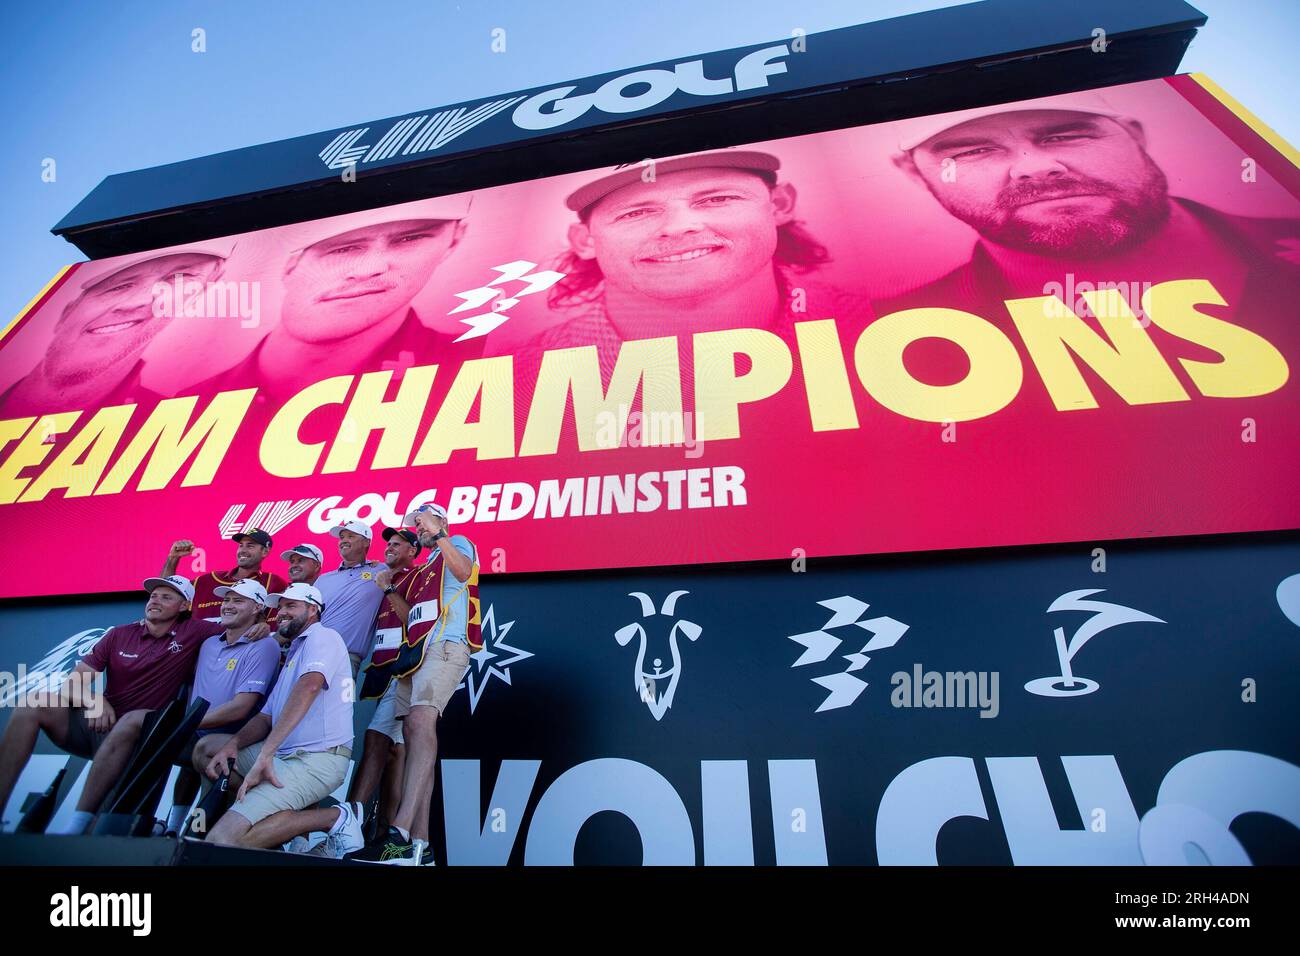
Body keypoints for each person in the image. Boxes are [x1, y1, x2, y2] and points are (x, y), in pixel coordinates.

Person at [880, 93, 1300, 327]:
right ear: (913, 171)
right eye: (973, 151)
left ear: (1134, 136)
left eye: (1066, 136)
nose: (1035, 167)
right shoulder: (899, 329)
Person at [516, 148, 869, 379]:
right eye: (635, 212)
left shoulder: (869, 327)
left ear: (779, 205)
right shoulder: (520, 379)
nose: (678, 226)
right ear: (585, 241)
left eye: (717, 198)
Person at [194, 197, 484, 409]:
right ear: (288, 264)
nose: (369, 269)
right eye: (341, 249)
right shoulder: (191, 404)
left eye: (410, 238)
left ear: (454, 240)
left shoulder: (485, 367)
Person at [0, 575, 224, 834]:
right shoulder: (119, 634)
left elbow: (238, 630)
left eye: (166, 597)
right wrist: (95, 700)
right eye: (153, 596)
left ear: (184, 606)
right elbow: (71, 684)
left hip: (138, 741)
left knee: (102, 831)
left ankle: (86, 826)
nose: (155, 601)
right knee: (33, 703)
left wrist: (260, 628)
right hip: (100, 725)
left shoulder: (195, 631)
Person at [347, 504, 480, 865]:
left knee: (421, 723)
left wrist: (440, 532)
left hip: (446, 645)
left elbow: (464, 572)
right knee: (412, 735)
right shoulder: (424, 569)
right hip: (416, 654)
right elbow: (412, 619)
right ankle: (419, 845)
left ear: (440, 521)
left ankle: (400, 831)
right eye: (415, 524)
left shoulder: (457, 542)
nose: (418, 528)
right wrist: (391, 589)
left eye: (421, 522)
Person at [202, 583, 362, 852]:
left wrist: (266, 753)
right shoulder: (296, 650)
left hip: (316, 760)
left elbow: (309, 686)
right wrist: (234, 744)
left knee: (222, 842)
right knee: (208, 749)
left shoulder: (324, 636)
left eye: (291, 606)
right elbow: (265, 717)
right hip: (283, 757)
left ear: (313, 610)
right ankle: (264, 819)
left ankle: (335, 817)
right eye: (280, 607)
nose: (282, 612)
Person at [0, 240, 235, 419]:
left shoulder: (174, 426)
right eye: (117, 286)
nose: (138, 301)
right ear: (66, 312)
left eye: (178, 278)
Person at [163, 579, 282, 835]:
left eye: (238, 600)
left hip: (236, 740)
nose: (228, 605)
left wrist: (187, 724)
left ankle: (198, 835)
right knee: (148, 740)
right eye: (226, 600)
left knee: (209, 768)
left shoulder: (264, 645)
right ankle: (171, 830)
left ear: (257, 608)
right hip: (198, 732)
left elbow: (241, 708)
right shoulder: (209, 642)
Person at [161, 529, 287, 624]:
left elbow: (272, 623)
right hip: (197, 647)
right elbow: (165, 593)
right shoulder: (206, 580)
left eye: (250, 546)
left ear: (265, 551)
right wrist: (173, 558)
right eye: (241, 545)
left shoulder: (274, 582)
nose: (242, 550)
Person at [315, 520, 386, 677]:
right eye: (342, 537)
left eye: (351, 536)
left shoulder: (381, 570)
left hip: (347, 658)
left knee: (339, 696)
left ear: (366, 542)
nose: (344, 541)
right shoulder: (323, 579)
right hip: (312, 652)